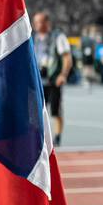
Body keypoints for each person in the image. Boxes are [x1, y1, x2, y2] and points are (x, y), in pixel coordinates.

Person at [33, 11, 72, 145]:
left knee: (56, 110)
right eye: (35, 22)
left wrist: (63, 75)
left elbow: (67, 58)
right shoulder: (33, 38)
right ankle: (39, 137)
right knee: (37, 111)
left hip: (54, 79)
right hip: (38, 80)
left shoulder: (58, 37)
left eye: (40, 22)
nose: (37, 25)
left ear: (47, 23)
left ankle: (58, 137)